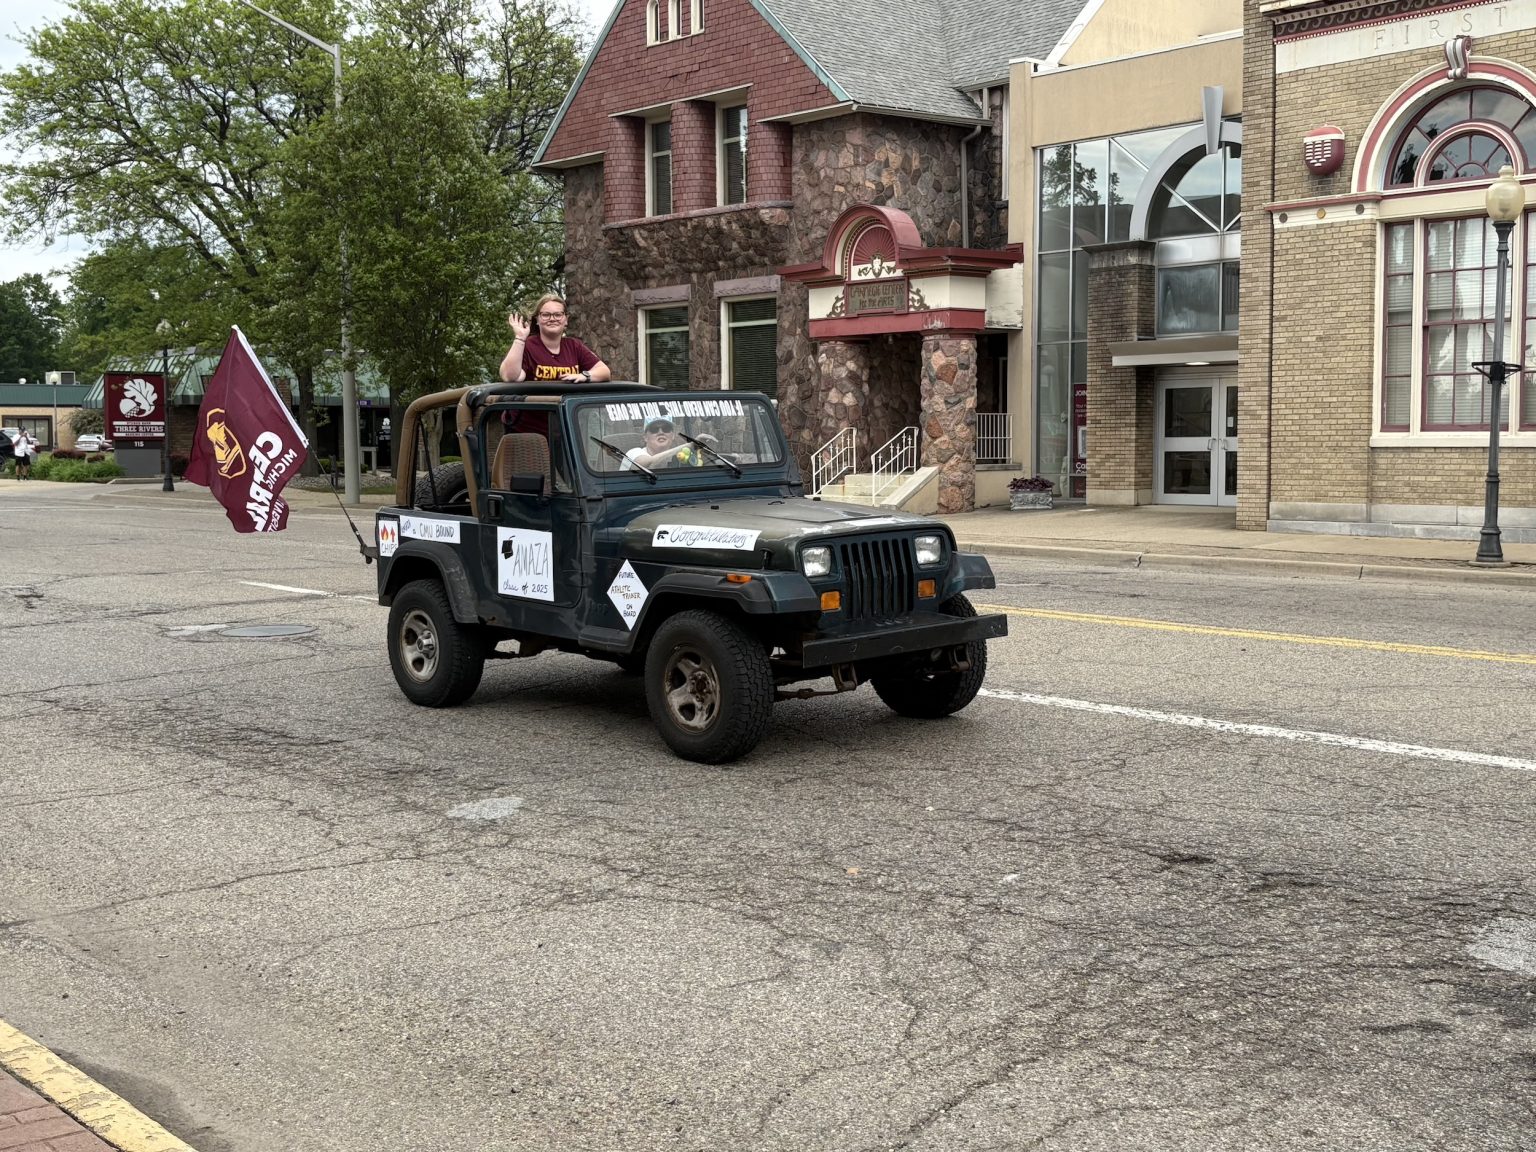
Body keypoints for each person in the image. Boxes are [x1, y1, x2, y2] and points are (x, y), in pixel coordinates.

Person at [500, 294, 612, 385]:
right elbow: (510, 377)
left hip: (564, 411)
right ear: (537, 320)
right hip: (533, 411)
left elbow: (604, 371)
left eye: (558, 315)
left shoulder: (574, 346)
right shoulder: (527, 345)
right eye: (546, 315)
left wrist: (584, 376)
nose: (552, 319)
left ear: (566, 320)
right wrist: (519, 339)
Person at [621, 417, 703, 471]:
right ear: (645, 437)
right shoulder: (634, 452)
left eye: (666, 429)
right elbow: (648, 463)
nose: (661, 432)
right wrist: (690, 445)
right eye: (654, 429)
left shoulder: (680, 458)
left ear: (673, 435)